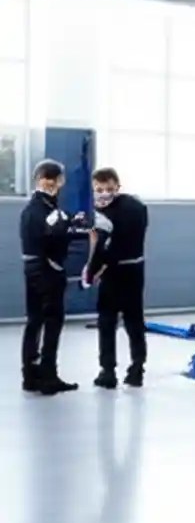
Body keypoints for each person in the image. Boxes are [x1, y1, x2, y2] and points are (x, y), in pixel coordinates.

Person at [83, 168, 149, 389]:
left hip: (113, 271)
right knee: (135, 321)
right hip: (136, 268)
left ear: (117, 187)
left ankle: (108, 371)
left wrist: (90, 274)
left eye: (107, 189)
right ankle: (137, 368)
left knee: (107, 321)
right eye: (99, 190)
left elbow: (101, 248)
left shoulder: (103, 215)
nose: (103, 194)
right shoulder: (139, 206)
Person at [19, 159, 79, 395]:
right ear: (58, 180)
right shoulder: (46, 210)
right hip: (47, 270)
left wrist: (68, 223)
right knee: (53, 322)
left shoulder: (31, 208)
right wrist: (68, 230)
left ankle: (30, 375)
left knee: (34, 322)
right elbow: (51, 240)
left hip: (31, 268)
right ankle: (48, 376)